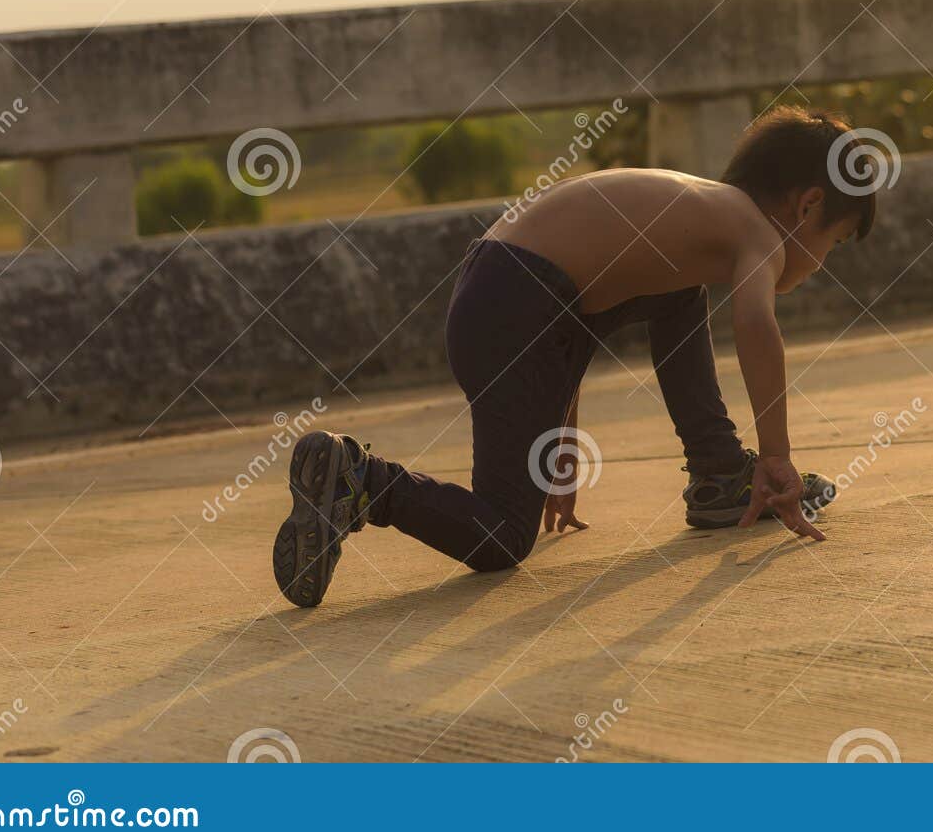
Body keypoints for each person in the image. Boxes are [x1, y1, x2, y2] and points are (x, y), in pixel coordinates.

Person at [273, 106, 879, 607]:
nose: (824, 258)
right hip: (515, 308)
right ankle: (363, 480)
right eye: (837, 239)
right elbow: (755, 324)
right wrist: (776, 457)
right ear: (807, 207)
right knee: (502, 538)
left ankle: (719, 470)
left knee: (681, 296)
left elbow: (578, 299)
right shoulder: (757, 233)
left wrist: (557, 439)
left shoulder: (702, 212)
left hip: (502, 296)